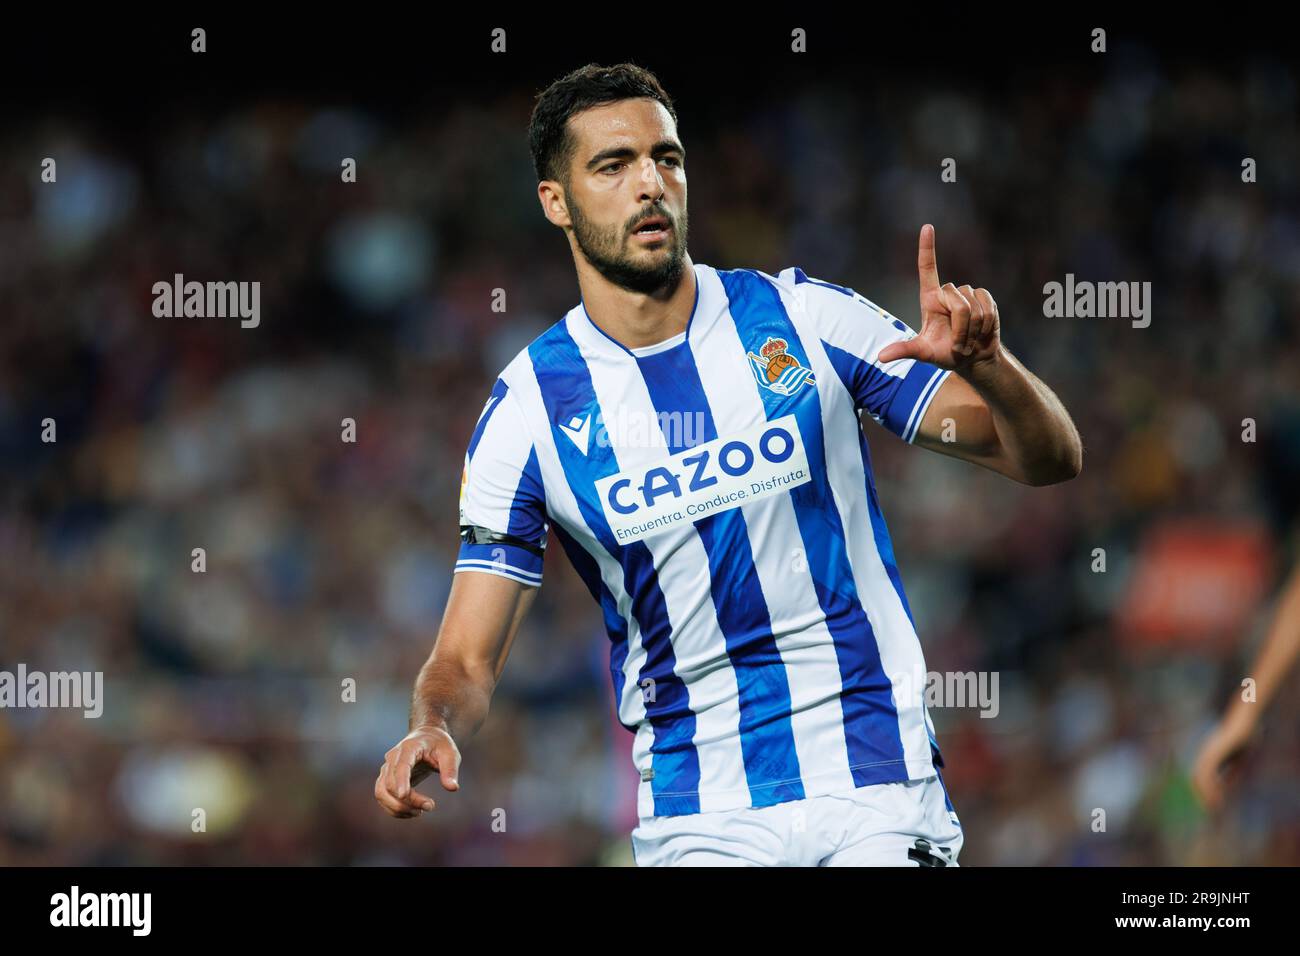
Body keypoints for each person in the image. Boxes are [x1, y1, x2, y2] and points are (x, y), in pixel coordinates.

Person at [374, 62, 1082, 865]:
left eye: (665, 158)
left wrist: (993, 368)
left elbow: (1049, 459)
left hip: (874, 786)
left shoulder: (804, 317)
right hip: (700, 819)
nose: (650, 182)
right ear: (555, 201)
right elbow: (466, 659)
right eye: (613, 165)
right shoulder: (528, 411)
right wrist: (429, 728)